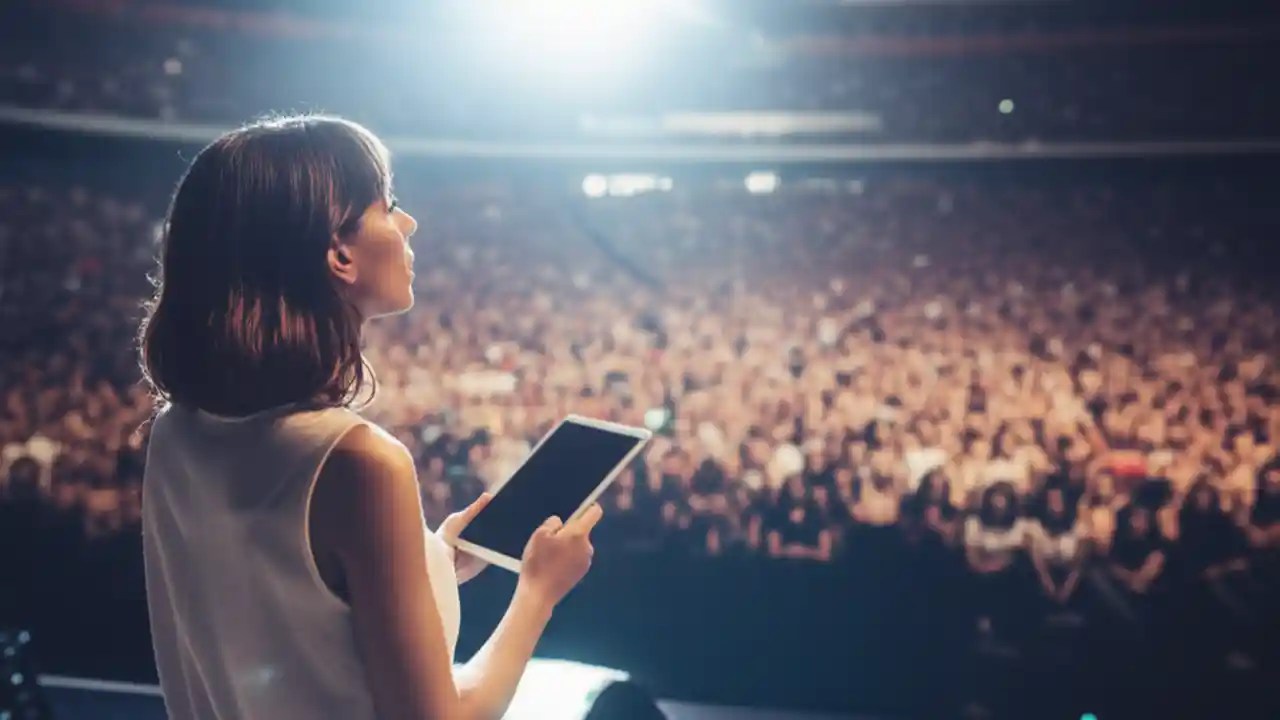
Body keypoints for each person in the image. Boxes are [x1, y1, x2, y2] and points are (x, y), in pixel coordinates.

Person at [138, 115, 601, 720]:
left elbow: (282, 616)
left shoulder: (175, 431)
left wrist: (429, 556)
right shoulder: (359, 461)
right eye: (389, 204)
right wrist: (539, 590)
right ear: (339, 253)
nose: (408, 224)